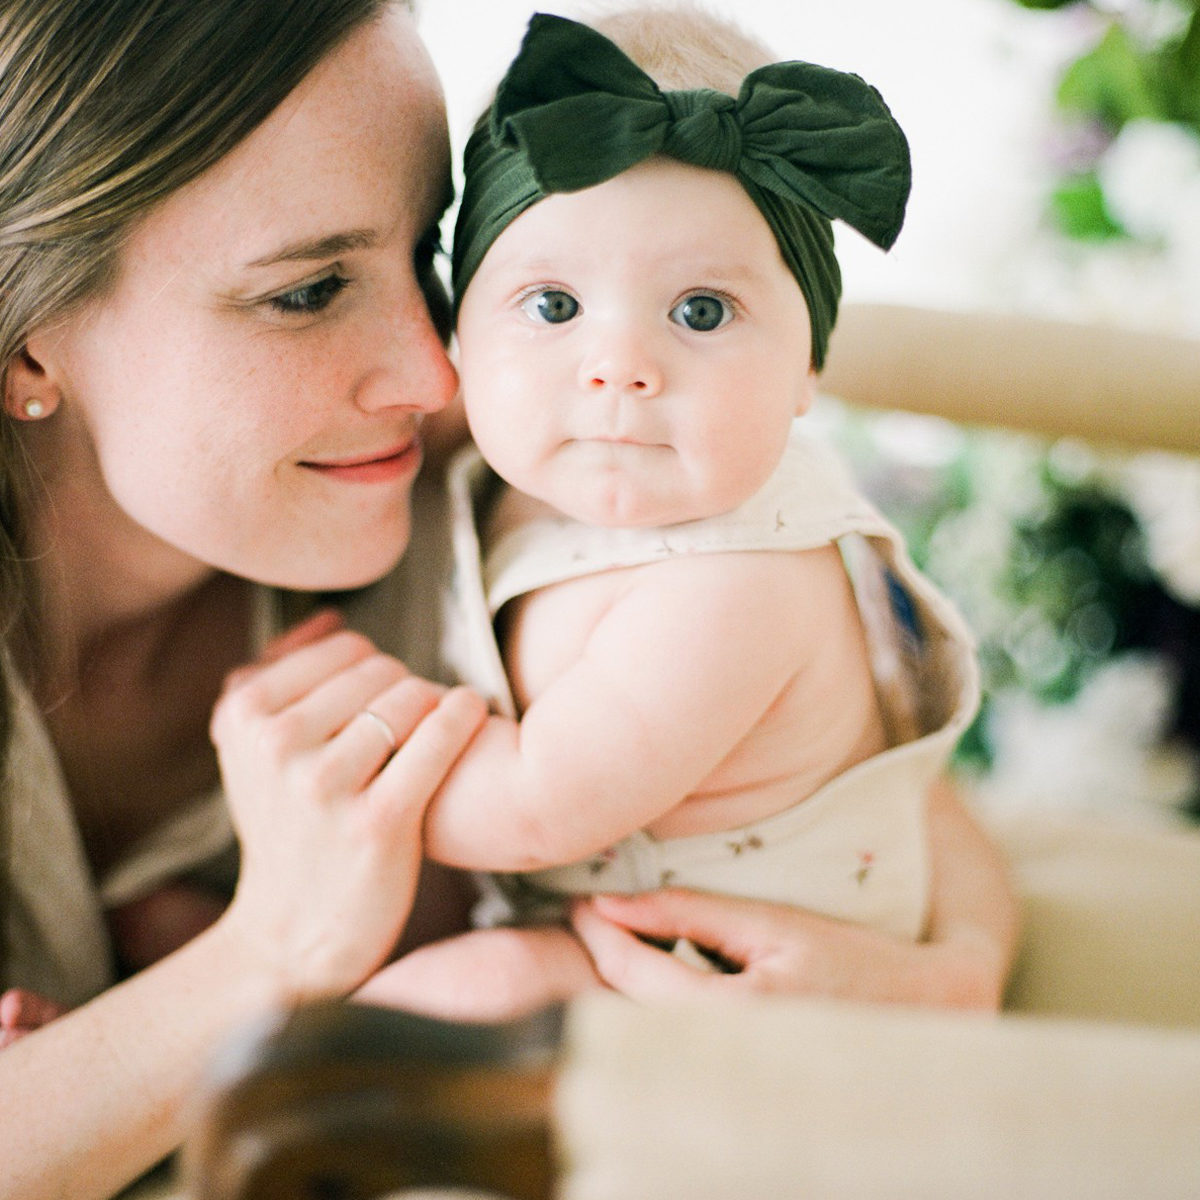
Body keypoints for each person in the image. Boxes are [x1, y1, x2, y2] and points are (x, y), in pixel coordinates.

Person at [0, 1, 1016, 1195]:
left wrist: (956, 968)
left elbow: (858, 738)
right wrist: (276, 943)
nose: (436, 370)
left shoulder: (486, 484)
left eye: (432, 252)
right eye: (309, 290)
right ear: (28, 344)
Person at [365, 8, 980, 987]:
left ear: (805, 369)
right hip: (597, 913)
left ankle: (243, 1065)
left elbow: (531, 807)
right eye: (553, 306)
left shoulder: (737, 585)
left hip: (732, 975)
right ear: (460, 333)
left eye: (701, 311)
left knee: (458, 996)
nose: (620, 368)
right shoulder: (509, 475)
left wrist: (352, 756)